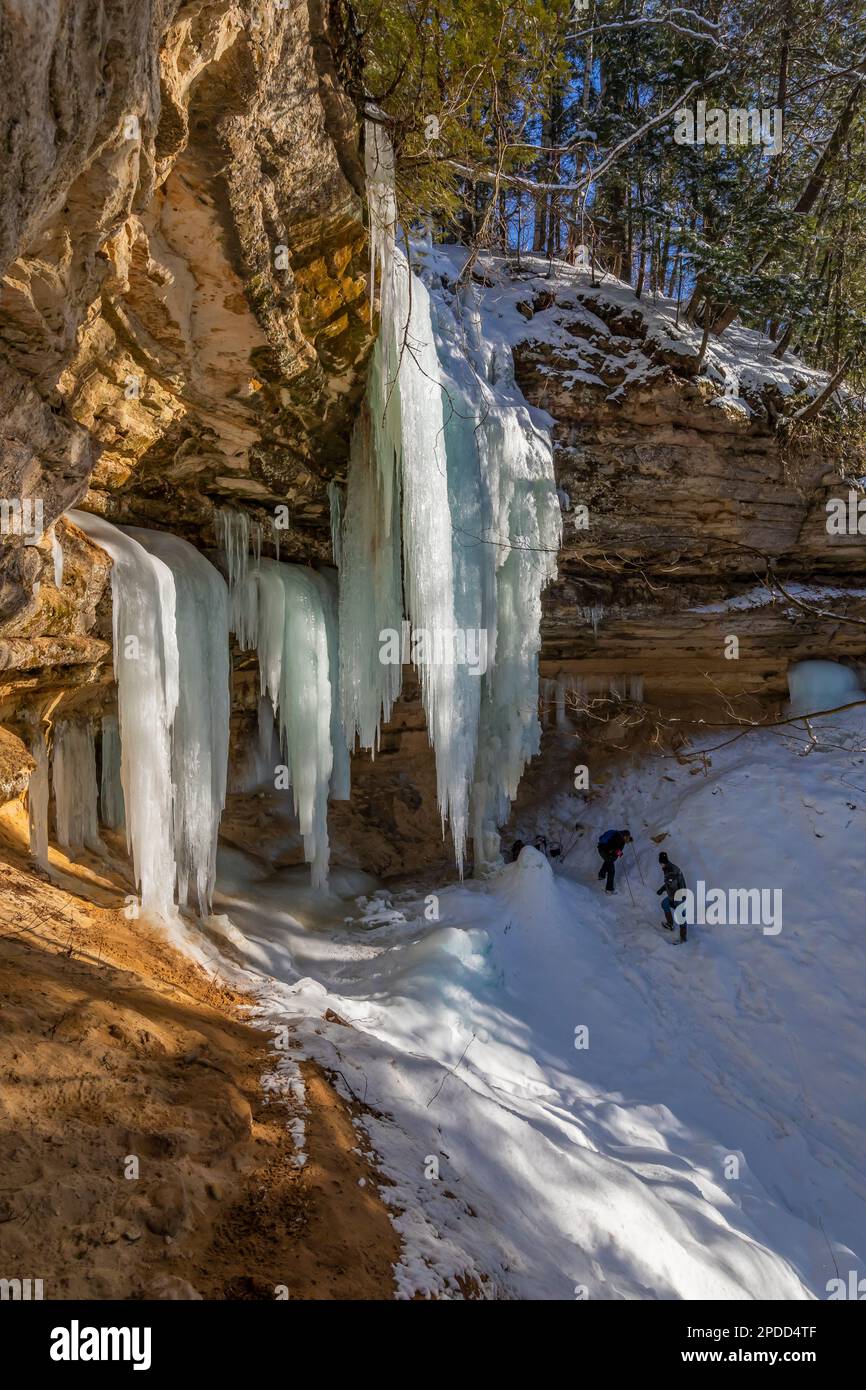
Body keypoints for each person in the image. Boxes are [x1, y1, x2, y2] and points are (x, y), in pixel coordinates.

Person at [657, 851, 688, 942]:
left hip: (679, 896)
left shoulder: (671, 871)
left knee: (681, 916)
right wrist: (662, 889)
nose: (660, 865)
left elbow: (672, 884)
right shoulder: (667, 868)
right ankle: (670, 924)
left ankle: (683, 937)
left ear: (663, 862)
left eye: (661, 863)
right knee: (664, 904)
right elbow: (668, 883)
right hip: (673, 896)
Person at [596, 828, 632, 893]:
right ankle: (609, 889)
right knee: (611, 871)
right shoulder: (619, 838)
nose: (627, 839)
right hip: (606, 851)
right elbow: (612, 846)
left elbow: (603, 838)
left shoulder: (618, 835)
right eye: (627, 838)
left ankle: (601, 875)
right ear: (625, 836)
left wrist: (617, 851)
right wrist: (618, 852)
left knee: (608, 861)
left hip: (601, 849)